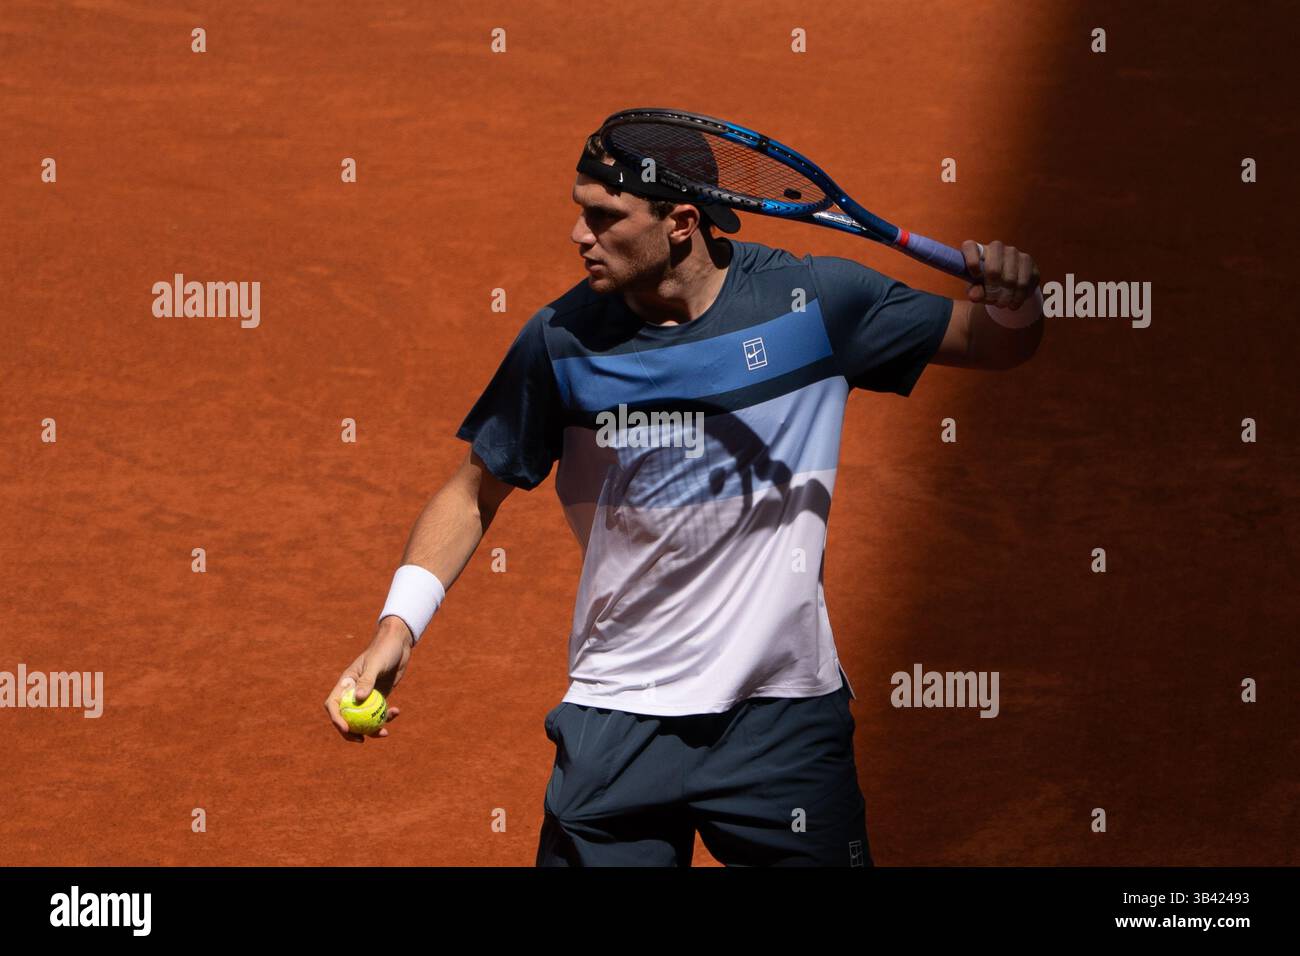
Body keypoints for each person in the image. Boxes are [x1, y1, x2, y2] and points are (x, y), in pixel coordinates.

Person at [325, 126, 1043, 867]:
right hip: (619, 713)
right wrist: (396, 629)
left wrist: (1015, 300)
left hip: (781, 717)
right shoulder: (562, 341)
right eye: (581, 210)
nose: (579, 234)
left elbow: (995, 341)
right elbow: (474, 492)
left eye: (605, 216)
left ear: (680, 223)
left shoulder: (816, 306)